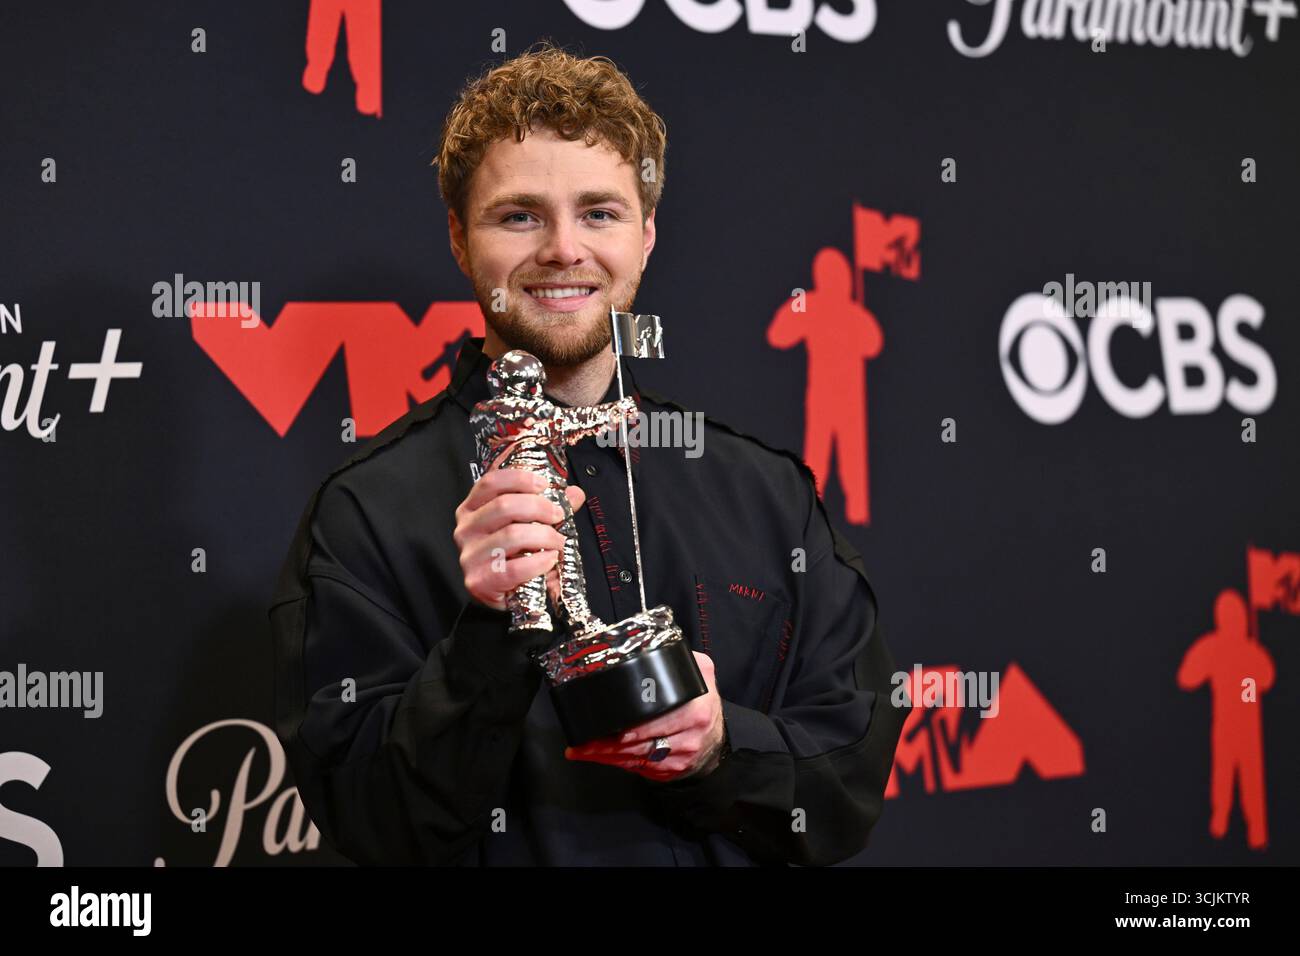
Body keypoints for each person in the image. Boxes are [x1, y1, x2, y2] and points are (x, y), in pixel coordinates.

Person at [268, 41, 908, 866]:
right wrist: (488, 634)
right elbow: (368, 819)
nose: (564, 249)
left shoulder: (766, 493)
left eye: (600, 213)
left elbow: (847, 789)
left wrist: (722, 747)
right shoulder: (365, 513)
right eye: (519, 215)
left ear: (646, 237)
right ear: (461, 241)